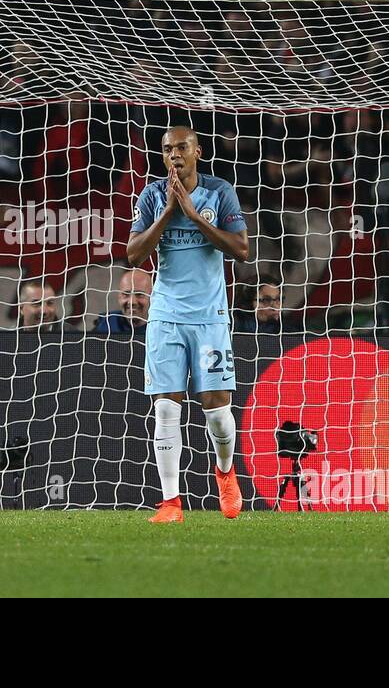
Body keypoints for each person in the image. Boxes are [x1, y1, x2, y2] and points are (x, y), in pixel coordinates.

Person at [126, 126, 250, 523]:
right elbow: (132, 254)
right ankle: (170, 502)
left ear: (198, 151)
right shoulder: (151, 195)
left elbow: (241, 250)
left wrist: (194, 216)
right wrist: (168, 212)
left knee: (216, 412)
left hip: (209, 315)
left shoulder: (219, 191)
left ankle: (226, 472)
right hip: (165, 314)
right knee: (165, 408)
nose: (174, 155)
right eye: (167, 150)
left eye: (181, 147)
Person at [92, 269, 152, 335]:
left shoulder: (161, 329)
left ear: (152, 297)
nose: (132, 302)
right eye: (126, 294)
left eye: (140, 295)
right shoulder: (106, 324)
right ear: (119, 297)